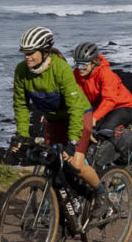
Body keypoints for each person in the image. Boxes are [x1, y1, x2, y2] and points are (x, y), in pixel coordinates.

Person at [12, 26, 99, 194]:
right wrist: (22, 135)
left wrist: (72, 141)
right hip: (54, 119)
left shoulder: (61, 69)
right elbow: (21, 105)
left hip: (79, 114)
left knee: (76, 165)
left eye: (31, 52)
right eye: (24, 53)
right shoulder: (21, 70)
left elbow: (75, 108)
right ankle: (66, 201)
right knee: (51, 163)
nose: (27, 56)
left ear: (45, 51)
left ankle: (100, 193)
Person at [72, 41, 132, 160]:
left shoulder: (105, 74)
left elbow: (109, 100)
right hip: (100, 108)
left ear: (93, 63)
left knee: (104, 132)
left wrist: (94, 118)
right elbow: (72, 96)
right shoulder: (77, 75)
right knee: (83, 132)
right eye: (77, 64)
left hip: (122, 107)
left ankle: (121, 159)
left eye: (84, 64)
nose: (80, 68)